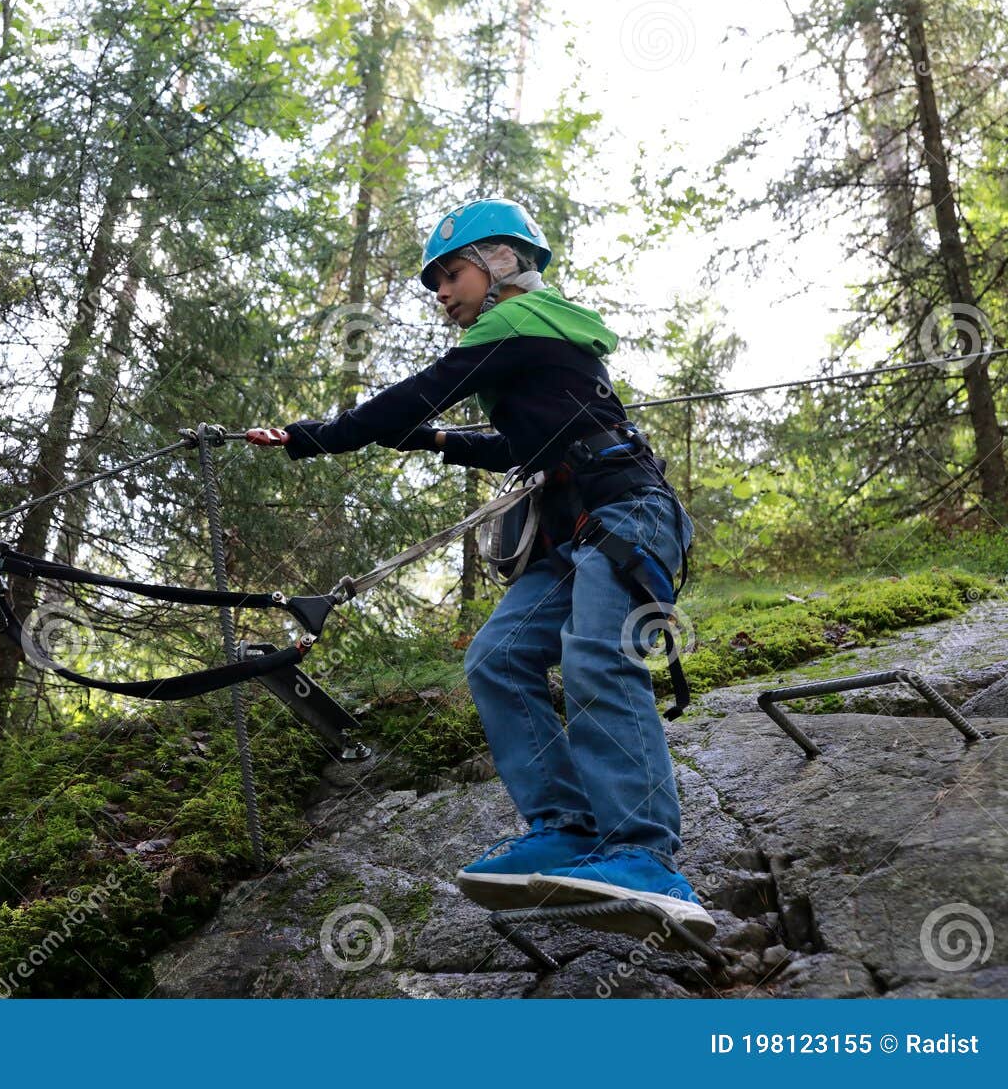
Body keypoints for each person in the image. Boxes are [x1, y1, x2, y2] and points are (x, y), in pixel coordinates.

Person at [269, 197, 713, 944]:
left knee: (597, 654)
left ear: (503, 262)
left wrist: (317, 436)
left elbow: (415, 393)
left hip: (627, 514)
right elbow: (521, 441)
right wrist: (440, 439)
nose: (442, 293)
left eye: (451, 274)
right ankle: (567, 827)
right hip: (576, 531)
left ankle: (646, 855)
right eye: (438, 281)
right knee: (499, 657)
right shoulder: (526, 342)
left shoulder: (516, 321)